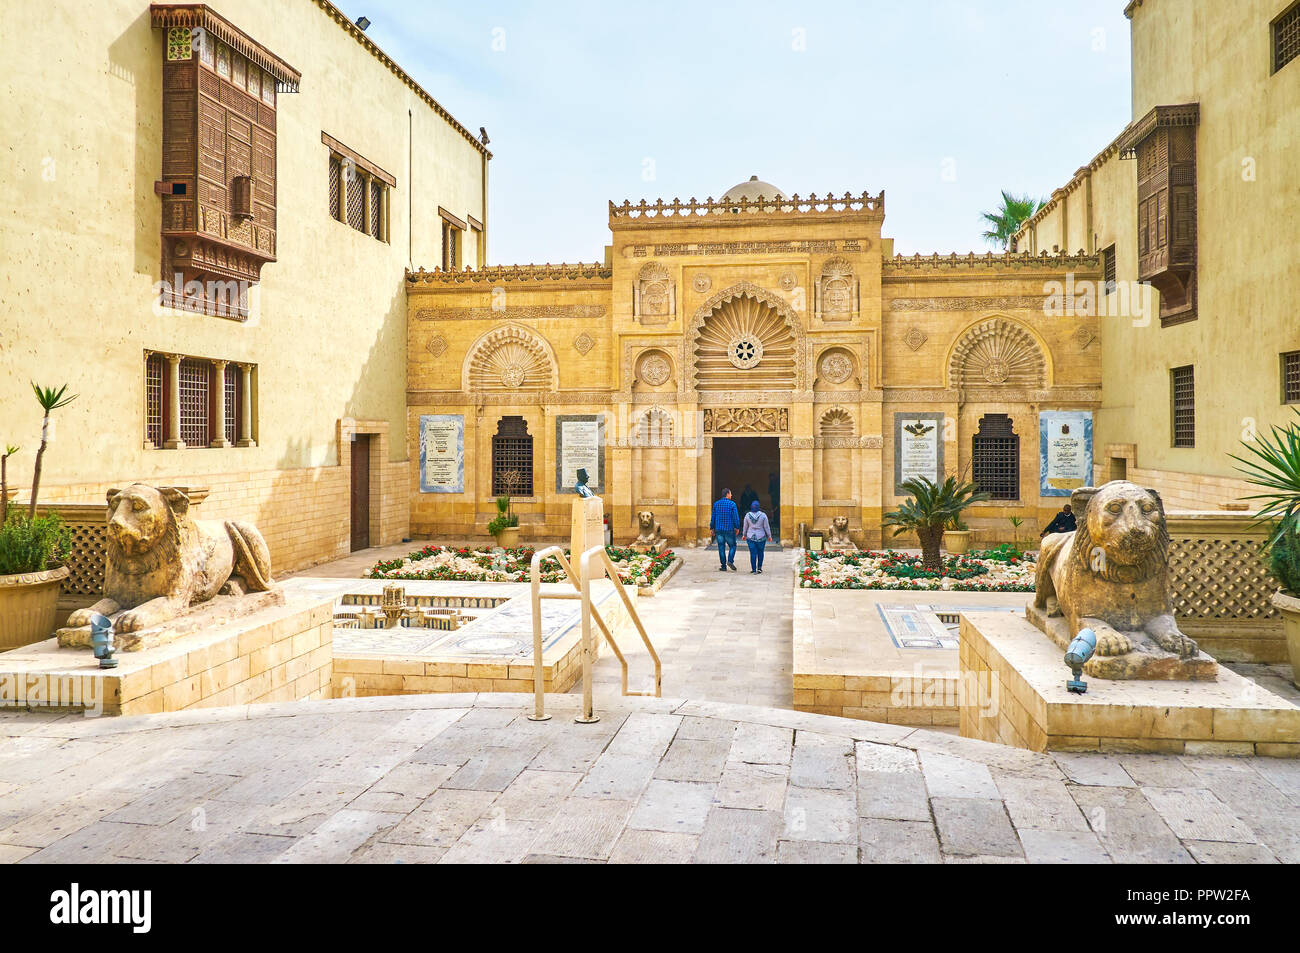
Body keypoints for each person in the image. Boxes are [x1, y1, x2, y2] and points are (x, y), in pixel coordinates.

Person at [710, 487, 740, 571]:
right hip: (729, 529)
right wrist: (737, 527)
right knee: (733, 545)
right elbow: (736, 518)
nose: (731, 495)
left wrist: (712, 527)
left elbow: (713, 517)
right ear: (727, 494)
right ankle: (730, 560)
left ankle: (723, 566)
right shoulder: (732, 504)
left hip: (719, 529)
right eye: (730, 493)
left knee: (721, 547)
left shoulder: (716, 504)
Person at [742, 499, 773, 574]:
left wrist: (744, 534)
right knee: (760, 552)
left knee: (752, 553)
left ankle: (753, 569)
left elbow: (745, 526)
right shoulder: (763, 515)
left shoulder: (747, 515)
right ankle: (759, 568)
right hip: (761, 536)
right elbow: (766, 527)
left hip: (750, 537)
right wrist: (769, 536)